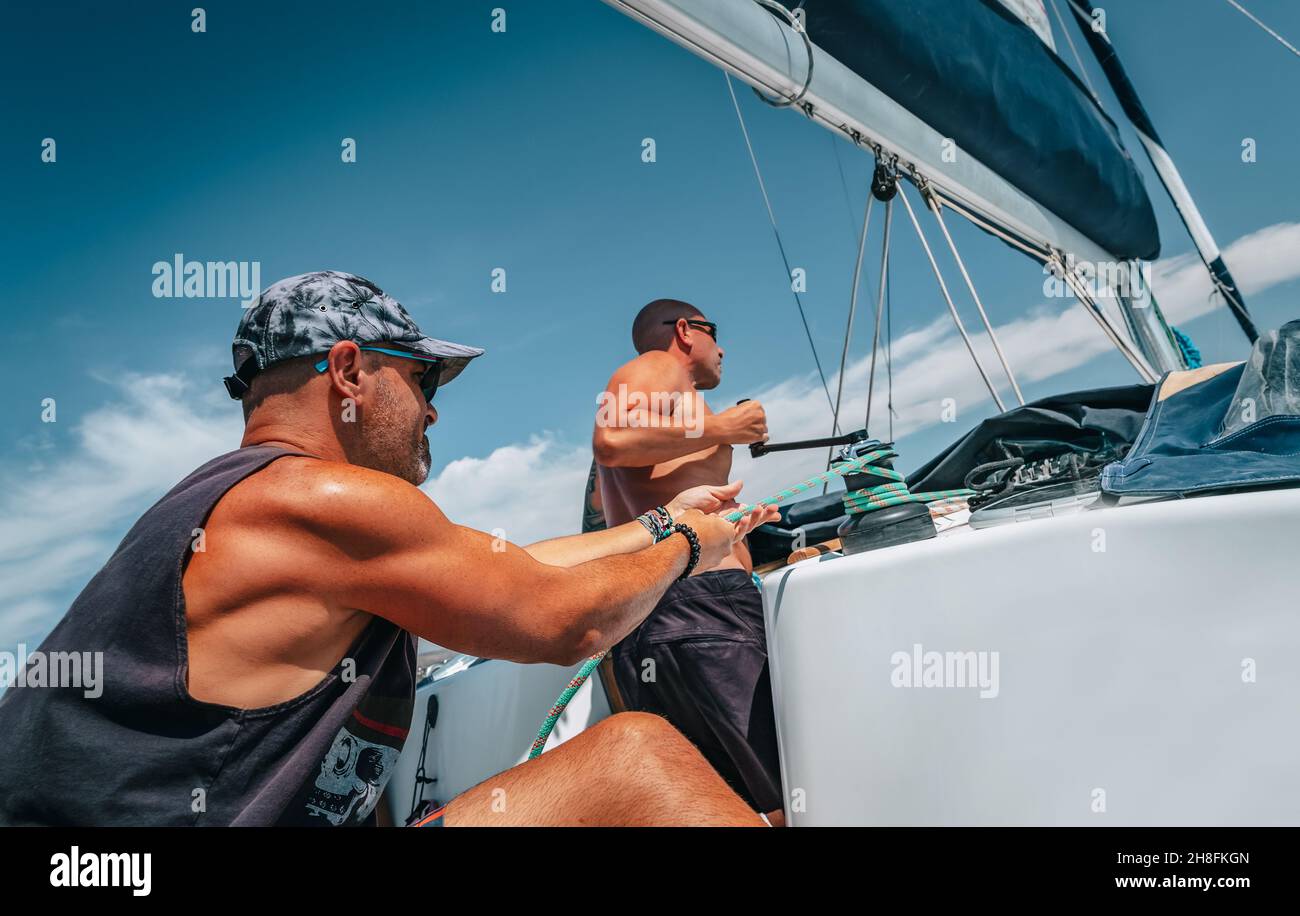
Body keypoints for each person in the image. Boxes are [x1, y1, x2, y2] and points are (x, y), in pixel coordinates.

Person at [0, 271, 777, 827]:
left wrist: (658, 521)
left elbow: (521, 569)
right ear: (347, 371)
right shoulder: (312, 499)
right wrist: (685, 544)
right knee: (635, 761)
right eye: (424, 381)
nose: (433, 415)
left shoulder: (245, 504)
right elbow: (561, 622)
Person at [593, 298, 784, 818]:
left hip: (649, 616)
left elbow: (613, 494)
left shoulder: (657, 395)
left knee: (712, 808)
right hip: (706, 608)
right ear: (684, 331)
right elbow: (611, 442)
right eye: (713, 332)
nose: (722, 348)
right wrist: (726, 429)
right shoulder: (661, 368)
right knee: (784, 795)